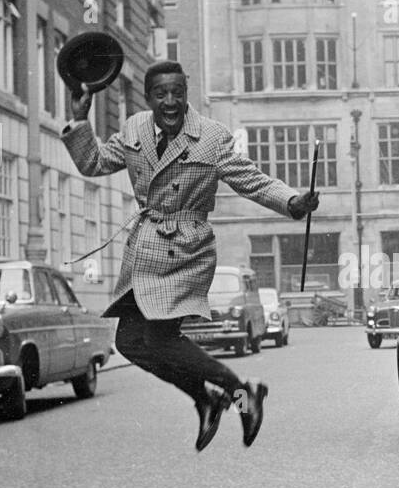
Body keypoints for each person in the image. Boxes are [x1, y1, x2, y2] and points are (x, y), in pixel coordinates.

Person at [61, 61, 320, 451]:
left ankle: (240, 393)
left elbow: (252, 180)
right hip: (144, 249)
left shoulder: (211, 137)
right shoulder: (133, 130)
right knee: (130, 342)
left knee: (162, 339)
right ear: (148, 98)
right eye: (161, 94)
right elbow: (93, 162)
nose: (170, 102)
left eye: (177, 93)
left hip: (186, 248)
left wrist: (293, 202)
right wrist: (81, 120)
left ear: (187, 94)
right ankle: (206, 398)